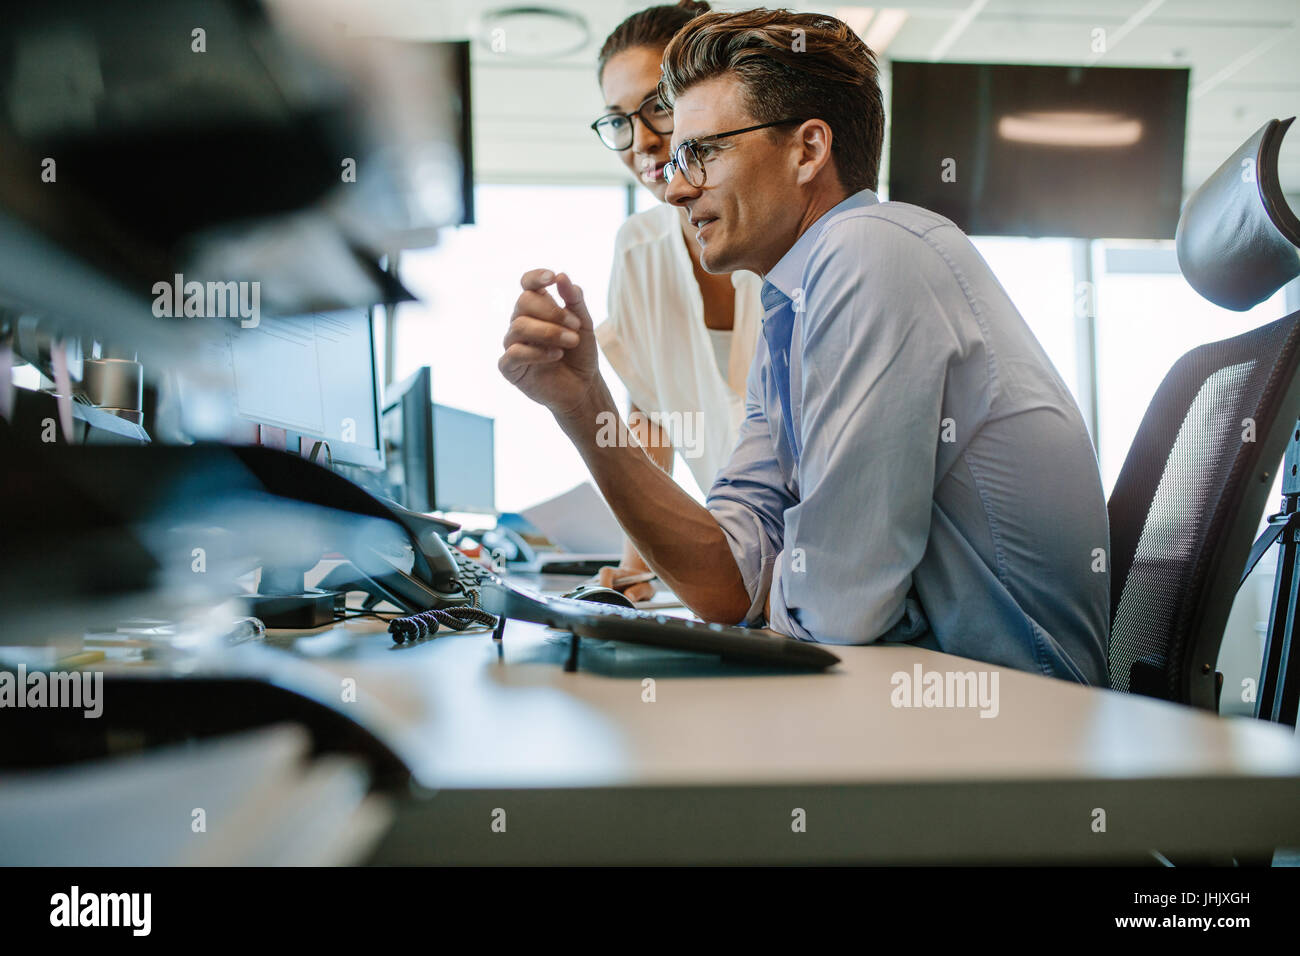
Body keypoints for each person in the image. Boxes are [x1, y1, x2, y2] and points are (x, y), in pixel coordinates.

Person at [499, 9, 1109, 683]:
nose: (673, 187)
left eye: (701, 152)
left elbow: (837, 610)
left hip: (1017, 715)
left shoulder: (871, 252)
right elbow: (729, 583)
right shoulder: (788, 313)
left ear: (808, 150)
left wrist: (764, 602)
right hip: (911, 693)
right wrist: (583, 407)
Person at [589, 1, 764, 603]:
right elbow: (650, 419)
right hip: (739, 574)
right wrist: (636, 568)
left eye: (659, 107)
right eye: (618, 120)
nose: (641, 141)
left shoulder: (791, 232)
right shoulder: (639, 251)